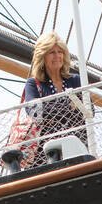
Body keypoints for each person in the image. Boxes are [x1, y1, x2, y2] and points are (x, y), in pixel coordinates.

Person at [19, 31, 87, 163]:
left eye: (60, 52)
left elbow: (88, 111)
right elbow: (35, 113)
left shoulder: (75, 80)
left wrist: (49, 109)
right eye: (52, 52)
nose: (57, 56)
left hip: (78, 147)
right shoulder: (34, 84)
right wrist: (69, 106)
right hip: (45, 155)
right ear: (42, 57)